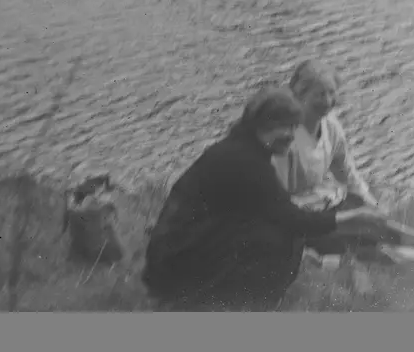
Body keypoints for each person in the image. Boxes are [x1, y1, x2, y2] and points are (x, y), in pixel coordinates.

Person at [141, 86, 386, 311]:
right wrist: (354, 217)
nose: (291, 135)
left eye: (294, 127)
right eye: (285, 127)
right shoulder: (247, 162)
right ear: (261, 125)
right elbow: (293, 220)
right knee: (282, 239)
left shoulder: (244, 148)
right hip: (177, 260)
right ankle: (237, 304)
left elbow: (272, 209)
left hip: (173, 252)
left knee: (272, 232)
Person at [275, 61, 400, 258]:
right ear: (300, 96)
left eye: (332, 93)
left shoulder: (331, 126)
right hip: (294, 216)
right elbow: (276, 196)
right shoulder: (286, 137)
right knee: (349, 243)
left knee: (374, 229)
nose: (328, 101)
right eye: (320, 94)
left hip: (321, 205)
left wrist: (371, 204)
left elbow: (347, 173)